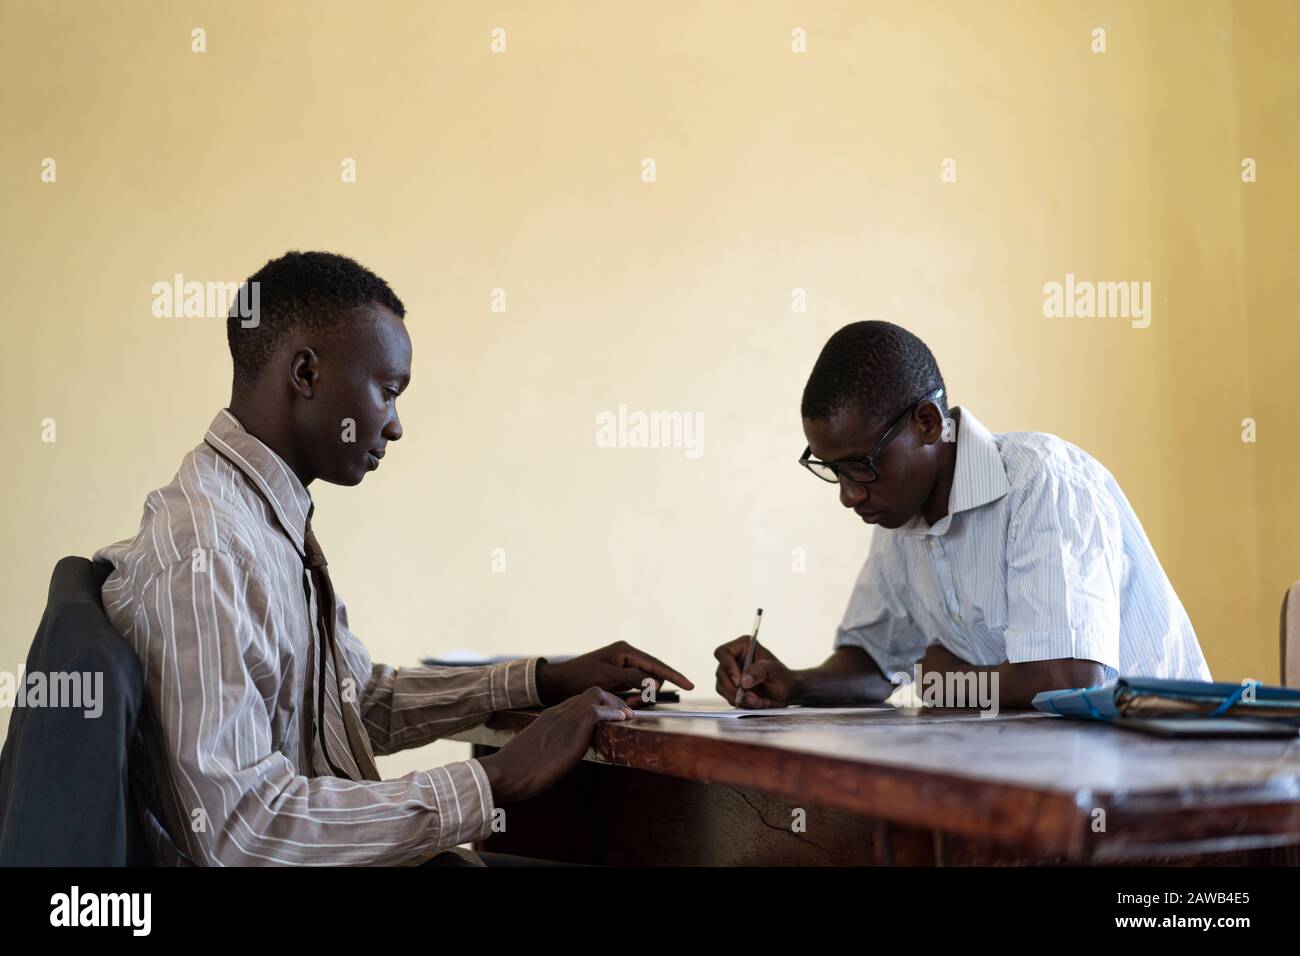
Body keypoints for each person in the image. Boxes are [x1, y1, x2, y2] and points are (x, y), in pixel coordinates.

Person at [94, 250, 692, 865]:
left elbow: (348, 701)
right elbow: (242, 834)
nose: (396, 425)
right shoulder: (211, 549)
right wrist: (492, 780)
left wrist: (536, 679)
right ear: (306, 374)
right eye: (387, 391)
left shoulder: (260, 522)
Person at [714, 320, 1209, 712]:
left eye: (860, 467)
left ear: (926, 423)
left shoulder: (1042, 482)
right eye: (832, 471)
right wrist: (797, 683)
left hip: (1163, 782)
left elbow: (1065, 679)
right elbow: (874, 659)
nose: (848, 495)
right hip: (1041, 771)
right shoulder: (897, 515)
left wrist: (943, 682)